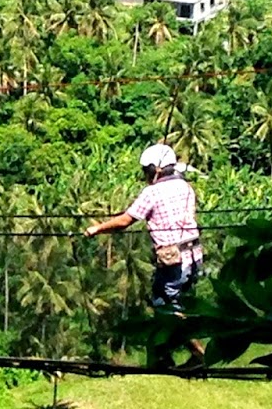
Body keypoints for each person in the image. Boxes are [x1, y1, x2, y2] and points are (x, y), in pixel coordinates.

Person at [84, 144, 205, 357]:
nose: (144, 175)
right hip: (194, 255)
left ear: (155, 170)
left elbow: (125, 221)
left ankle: (196, 354)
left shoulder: (152, 193)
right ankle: (164, 356)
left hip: (174, 260)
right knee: (174, 306)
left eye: (145, 170)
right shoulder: (185, 187)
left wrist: (97, 228)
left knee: (166, 307)